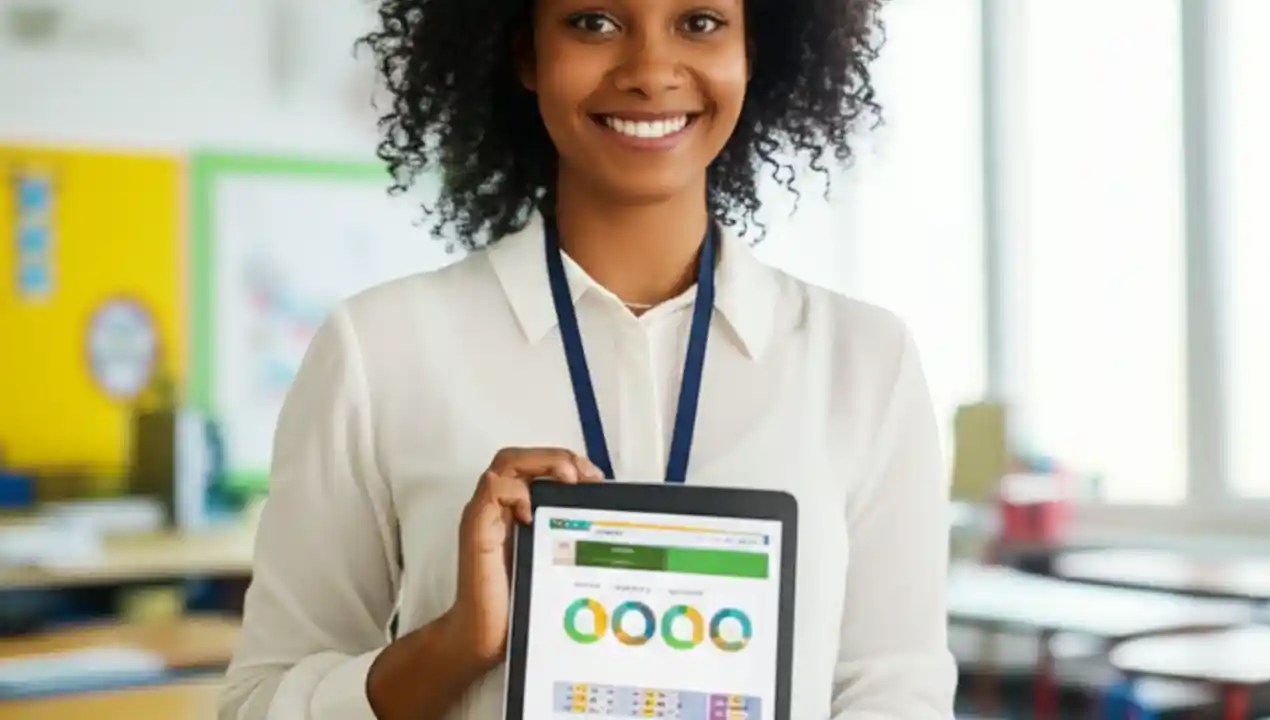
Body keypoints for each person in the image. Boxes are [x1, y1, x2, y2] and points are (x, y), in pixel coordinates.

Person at [219, 0, 957, 717]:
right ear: (525, 51)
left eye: (699, 23)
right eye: (593, 22)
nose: (650, 69)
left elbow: (895, 693)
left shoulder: (866, 361)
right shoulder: (379, 349)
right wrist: (455, 644)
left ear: (752, 48)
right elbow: (259, 706)